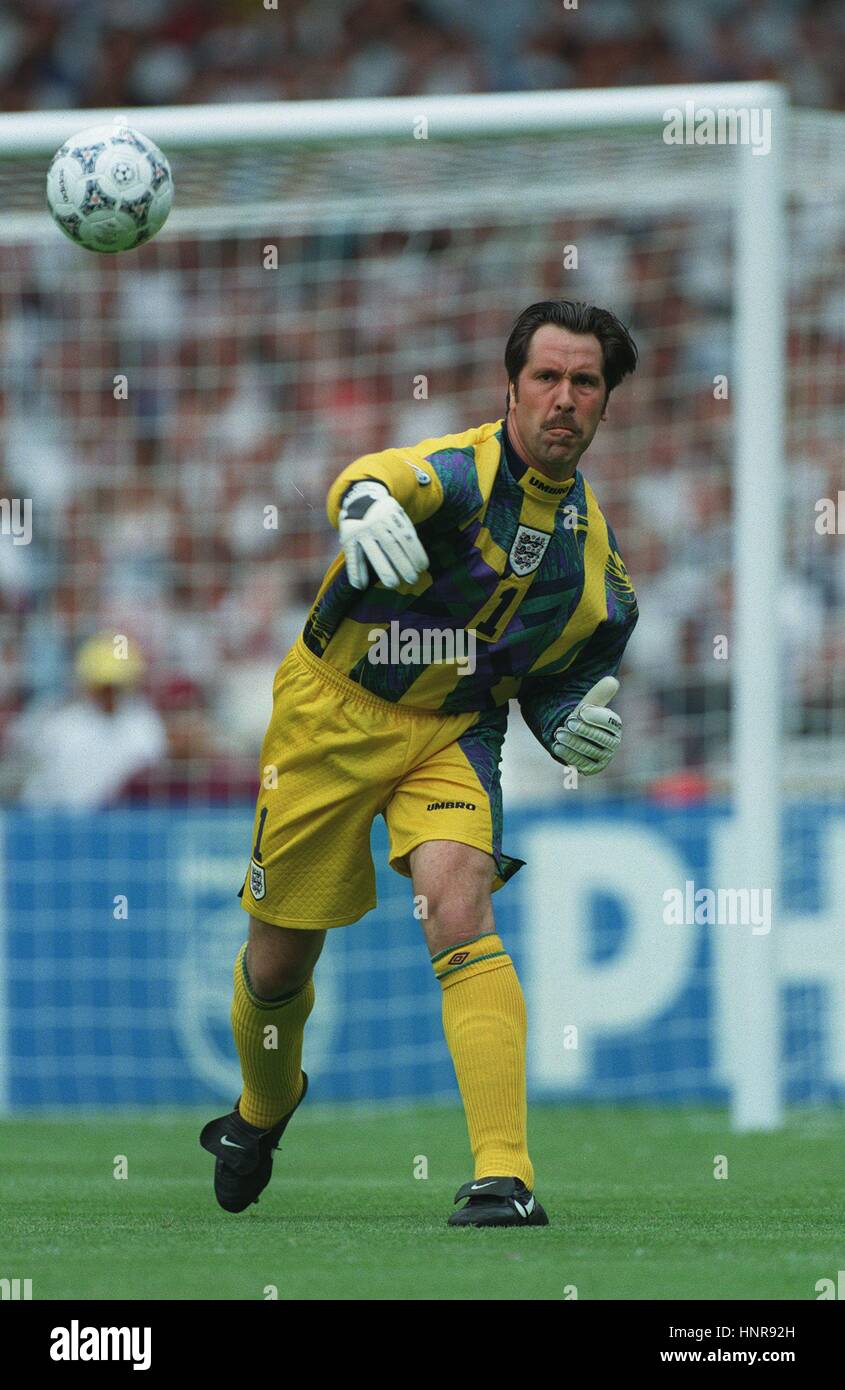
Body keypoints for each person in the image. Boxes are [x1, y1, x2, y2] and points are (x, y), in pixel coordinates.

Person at [200, 299, 639, 1227]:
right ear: (511, 388)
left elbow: (560, 680)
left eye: (584, 382)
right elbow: (375, 477)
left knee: (459, 901)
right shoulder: (455, 474)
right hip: (332, 713)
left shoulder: (596, 574)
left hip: (453, 731)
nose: (563, 399)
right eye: (546, 378)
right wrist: (359, 504)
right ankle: (263, 1108)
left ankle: (502, 1179)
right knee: (276, 965)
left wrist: (566, 725)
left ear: (606, 403)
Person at [13, 633, 165, 810]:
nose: (109, 694)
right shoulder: (61, 726)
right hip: (66, 822)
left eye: (115, 687)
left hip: (125, 822)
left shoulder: (145, 724)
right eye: (103, 686)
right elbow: (40, 789)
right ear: (88, 684)